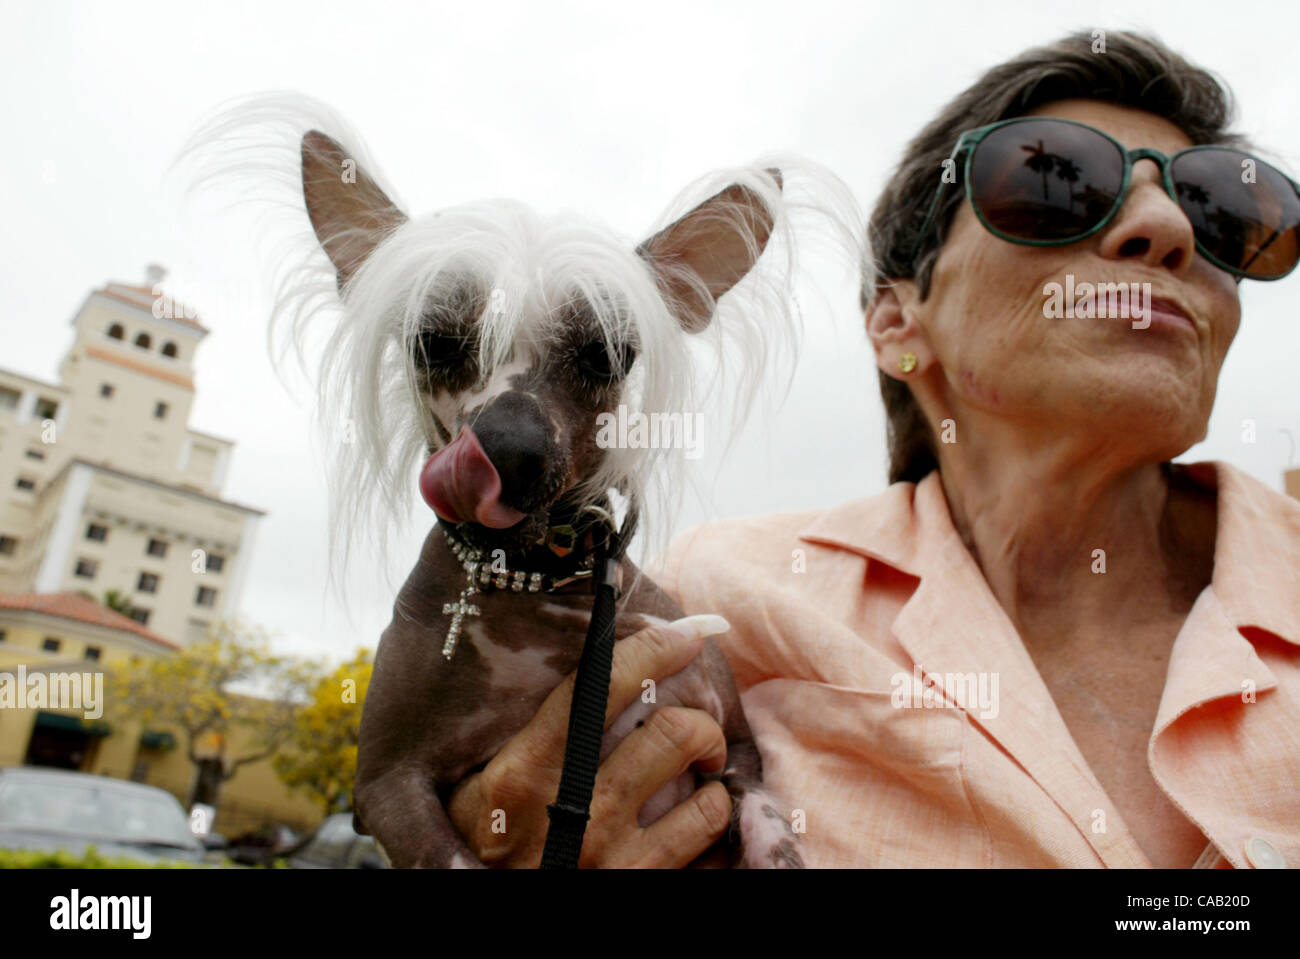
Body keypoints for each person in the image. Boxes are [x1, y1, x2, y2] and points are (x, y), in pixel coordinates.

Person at [445, 30, 1300, 868]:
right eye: (1055, 180)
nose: (1164, 227)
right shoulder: (714, 598)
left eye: (1217, 206)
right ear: (898, 324)